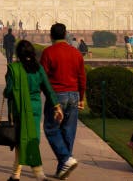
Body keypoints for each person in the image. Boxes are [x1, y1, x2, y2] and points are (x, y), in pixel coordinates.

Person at [5, 40, 63, 181]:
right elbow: (48, 89)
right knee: (31, 138)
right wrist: (57, 106)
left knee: (22, 139)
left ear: (18, 53)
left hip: (20, 109)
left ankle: (37, 174)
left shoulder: (15, 69)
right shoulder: (38, 69)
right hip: (35, 108)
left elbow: (8, 92)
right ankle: (17, 174)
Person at [40, 23, 86, 180]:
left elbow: (43, 77)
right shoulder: (75, 52)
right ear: (66, 34)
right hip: (73, 95)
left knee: (51, 129)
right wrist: (82, 97)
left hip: (57, 97)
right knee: (68, 131)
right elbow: (82, 77)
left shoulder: (48, 52)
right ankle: (63, 169)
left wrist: (38, 93)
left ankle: (66, 159)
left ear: (51, 36)